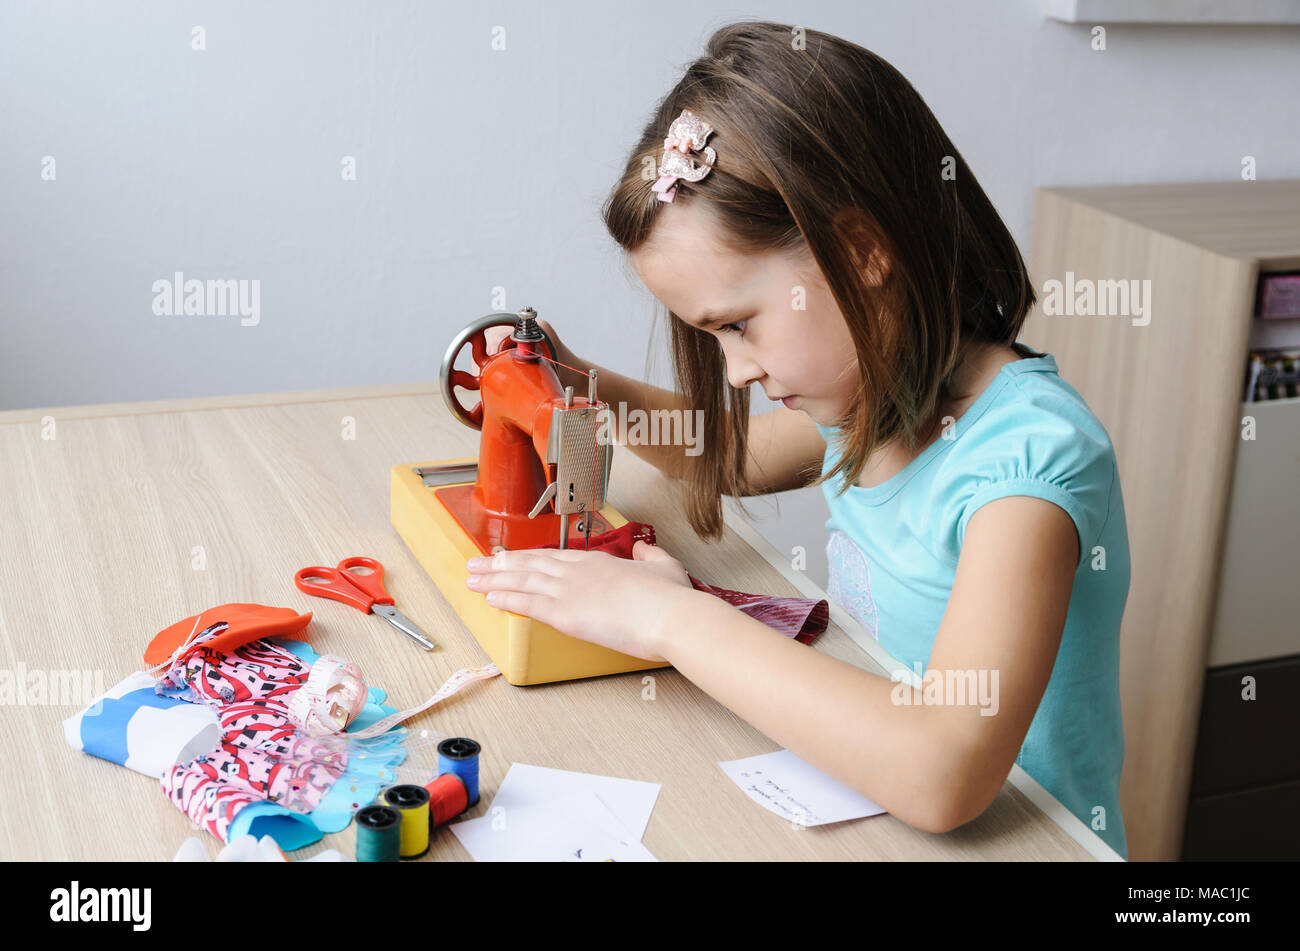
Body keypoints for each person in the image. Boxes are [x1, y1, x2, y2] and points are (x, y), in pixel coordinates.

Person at [466, 21, 1129, 858]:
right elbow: (730, 459)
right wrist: (580, 382)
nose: (735, 370)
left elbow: (944, 771)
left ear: (861, 252)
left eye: (738, 325)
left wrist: (672, 619)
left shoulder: (1028, 463)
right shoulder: (867, 406)